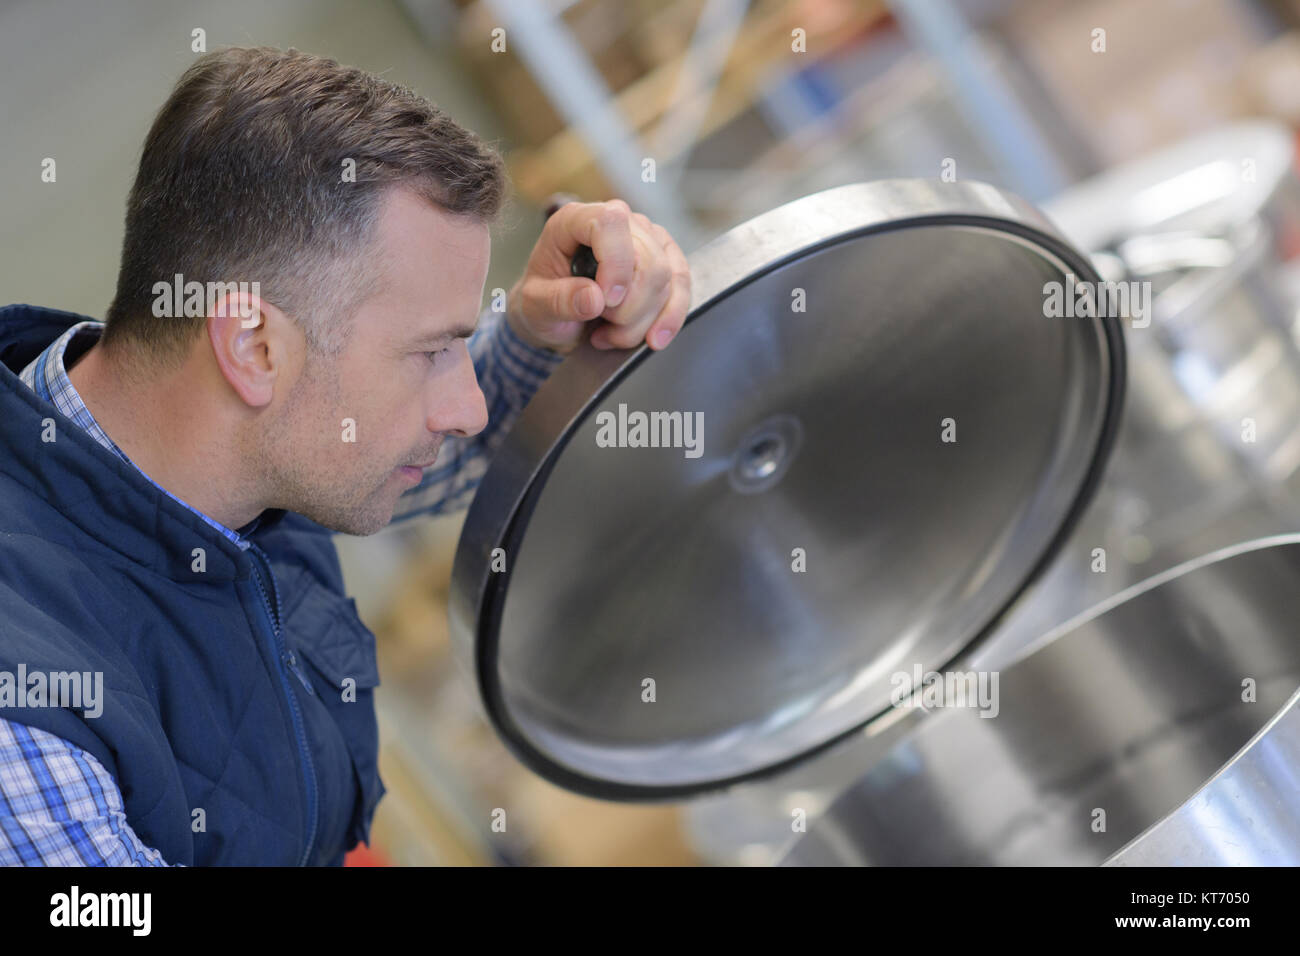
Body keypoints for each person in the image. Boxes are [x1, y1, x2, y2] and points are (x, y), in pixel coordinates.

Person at [0, 45, 690, 866]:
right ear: (254, 347)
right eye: (432, 350)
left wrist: (543, 334)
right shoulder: (25, 726)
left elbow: (416, 465)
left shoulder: (212, 440)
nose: (466, 405)